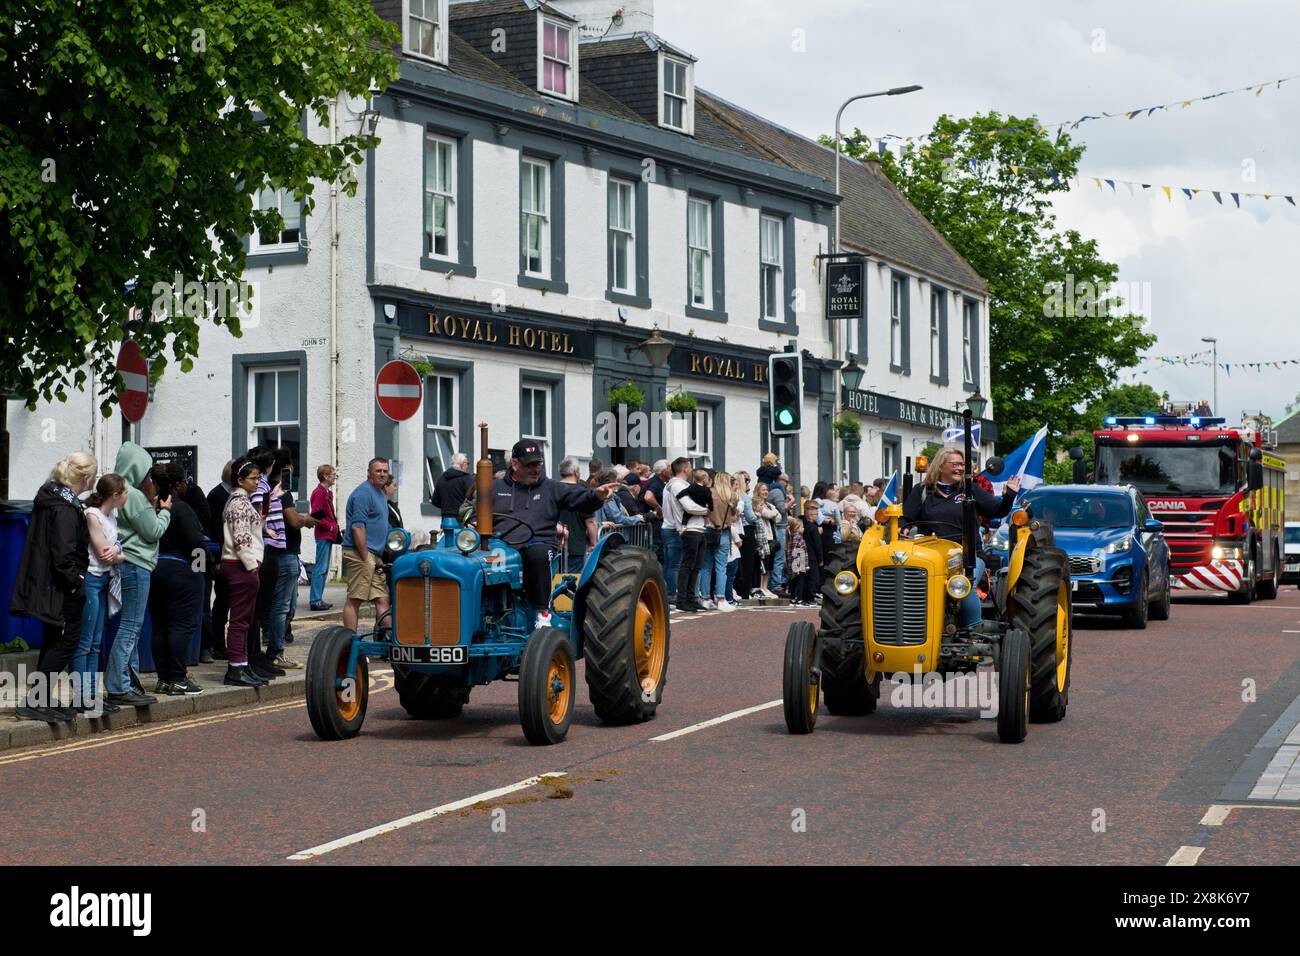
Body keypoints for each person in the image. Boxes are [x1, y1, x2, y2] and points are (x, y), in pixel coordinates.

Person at [483, 440, 620, 627]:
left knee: (537, 553)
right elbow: (474, 513)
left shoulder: (551, 488)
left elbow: (579, 497)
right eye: (529, 464)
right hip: (501, 546)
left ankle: (542, 614)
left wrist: (596, 495)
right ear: (515, 465)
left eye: (538, 463)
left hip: (538, 543)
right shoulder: (495, 488)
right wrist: (473, 521)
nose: (536, 469)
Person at [11, 452, 98, 721]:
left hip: (50, 584)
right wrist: (78, 580)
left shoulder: (55, 499)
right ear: (85, 477)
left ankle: (41, 699)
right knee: (66, 642)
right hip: (60, 587)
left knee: (54, 641)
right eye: (94, 473)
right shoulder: (64, 508)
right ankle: (34, 700)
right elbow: (63, 554)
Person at [901, 447, 1020, 629]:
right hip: (930, 555)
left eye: (962, 464)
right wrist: (904, 529)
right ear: (940, 467)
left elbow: (997, 510)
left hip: (968, 555)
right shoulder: (923, 491)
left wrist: (1009, 496)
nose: (959, 468)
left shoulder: (970, 490)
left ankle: (973, 629)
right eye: (955, 464)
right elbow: (906, 519)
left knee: (964, 583)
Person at [103, 443, 170, 707]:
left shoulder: (119, 493)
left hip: (126, 563)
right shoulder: (134, 496)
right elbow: (153, 531)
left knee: (131, 625)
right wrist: (165, 511)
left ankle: (129, 683)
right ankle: (119, 685)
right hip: (137, 564)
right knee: (131, 627)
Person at [149, 463, 207, 695]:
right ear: (178, 484)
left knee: (160, 626)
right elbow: (196, 543)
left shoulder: (150, 507)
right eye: (184, 482)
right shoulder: (182, 509)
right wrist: (201, 572)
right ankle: (179, 679)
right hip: (181, 572)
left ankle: (163, 678)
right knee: (180, 627)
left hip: (153, 570)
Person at [75, 473, 128, 713]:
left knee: (96, 644)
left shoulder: (111, 516)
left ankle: (92, 696)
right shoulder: (92, 515)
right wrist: (120, 552)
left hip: (105, 580)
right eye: (125, 492)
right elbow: (103, 552)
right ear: (115, 495)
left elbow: (115, 552)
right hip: (92, 581)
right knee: (84, 643)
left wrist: (118, 552)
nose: (128, 495)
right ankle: (80, 697)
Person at [220, 458, 268, 687]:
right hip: (240, 566)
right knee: (240, 621)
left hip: (239, 565)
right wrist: (253, 567)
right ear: (239, 480)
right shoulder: (239, 503)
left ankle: (242, 665)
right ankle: (235, 668)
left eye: (259, 477)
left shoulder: (241, 501)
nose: (257, 482)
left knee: (244, 620)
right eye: (253, 478)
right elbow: (241, 539)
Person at [342, 457, 393, 636]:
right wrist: (365, 556)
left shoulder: (380, 493)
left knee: (382, 599)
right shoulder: (364, 493)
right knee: (355, 599)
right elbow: (357, 527)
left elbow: (383, 525)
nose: (382, 474)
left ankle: (390, 642)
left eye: (385, 471)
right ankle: (348, 645)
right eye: (378, 471)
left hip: (375, 555)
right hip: (360, 553)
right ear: (369, 473)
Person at [274, 463, 317, 663]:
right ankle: (275, 648)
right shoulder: (282, 493)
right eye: (288, 470)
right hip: (285, 553)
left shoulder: (272, 491)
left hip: (286, 553)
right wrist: (305, 520)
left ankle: (276, 643)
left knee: (286, 605)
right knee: (284, 605)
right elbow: (293, 521)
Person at [203, 460, 234, 661]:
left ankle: (220, 643)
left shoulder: (229, 494)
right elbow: (215, 529)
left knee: (226, 601)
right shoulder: (217, 496)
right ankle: (217, 643)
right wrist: (216, 559)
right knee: (222, 602)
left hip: (227, 555)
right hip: (221, 555)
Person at [673, 468, 712, 612]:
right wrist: (706, 510)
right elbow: (689, 508)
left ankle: (691, 598)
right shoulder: (687, 489)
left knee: (697, 566)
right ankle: (681, 600)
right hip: (690, 530)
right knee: (687, 565)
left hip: (701, 529)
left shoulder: (703, 491)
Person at [702, 471, 738, 611]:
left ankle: (705, 598)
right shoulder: (731, 496)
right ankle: (721, 599)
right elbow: (734, 516)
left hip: (708, 531)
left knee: (706, 566)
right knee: (721, 567)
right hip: (723, 532)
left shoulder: (709, 493)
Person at [659, 458, 693, 605]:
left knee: (669, 564)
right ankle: (672, 595)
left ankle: (668, 594)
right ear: (685, 469)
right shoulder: (679, 486)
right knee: (674, 565)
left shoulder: (668, 485)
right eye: (690, 467)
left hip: (667, 526)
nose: (691, 470)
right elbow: (684, 507)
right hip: (675, 528)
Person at [558, 457, 598, 572]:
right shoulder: (583, 493)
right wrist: (593, 543)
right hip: (576, 546)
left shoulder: (551, 490)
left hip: (553, 547)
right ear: (575, 472)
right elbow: (590, 522)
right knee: (571, 583)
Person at [309, 464, 339, 610]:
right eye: (333, 474)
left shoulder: (325, 492)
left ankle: (318, 599)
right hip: (323, 534)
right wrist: (330, 526)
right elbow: (316, 514)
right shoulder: (320, 492)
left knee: (323, 568)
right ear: (325, 476)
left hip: (327, 535)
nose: (335, 476)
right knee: (320, 568)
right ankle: (315, 600)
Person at [757, 454, 788, 595]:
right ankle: (775, 585)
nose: (786, 483)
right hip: (779, 526)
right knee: (778, 557)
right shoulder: (776, 489)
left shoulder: (762, 470)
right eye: (785, 481)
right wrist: (789, 501)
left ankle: (770, 584)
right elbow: (781, 510)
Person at [752, 482, 778, 598]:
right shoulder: (757, 503)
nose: (766, 492)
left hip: (771, 536)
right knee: (763, 564)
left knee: (769, 565)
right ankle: (761, 587)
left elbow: (779, 518)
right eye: (763, 490)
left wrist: (774, 512)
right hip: (763, 538)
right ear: (758, 491)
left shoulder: (769, 505)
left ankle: (765, 587)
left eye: (767, 489)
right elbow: (768, 515)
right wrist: (775, 511)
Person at [431, 453, 473, 520]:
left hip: (445, 520)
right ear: (463, 464)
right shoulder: (466, 479)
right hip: (461, 519)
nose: (467, 466)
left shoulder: (442, 478)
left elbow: (435, 501)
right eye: (467, 463)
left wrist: (446, 507)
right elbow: (474, 498)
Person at [797, 500, 824, 604]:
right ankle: (810, 597)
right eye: (817, 514)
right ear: (811, 515)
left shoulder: (801, 524)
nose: (818, 516)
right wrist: (820, 559)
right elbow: (818, 545)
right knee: (814, 578)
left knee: (803, 577)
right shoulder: (814, 528)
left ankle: (802, 597)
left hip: (802, 554)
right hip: (812, 557)